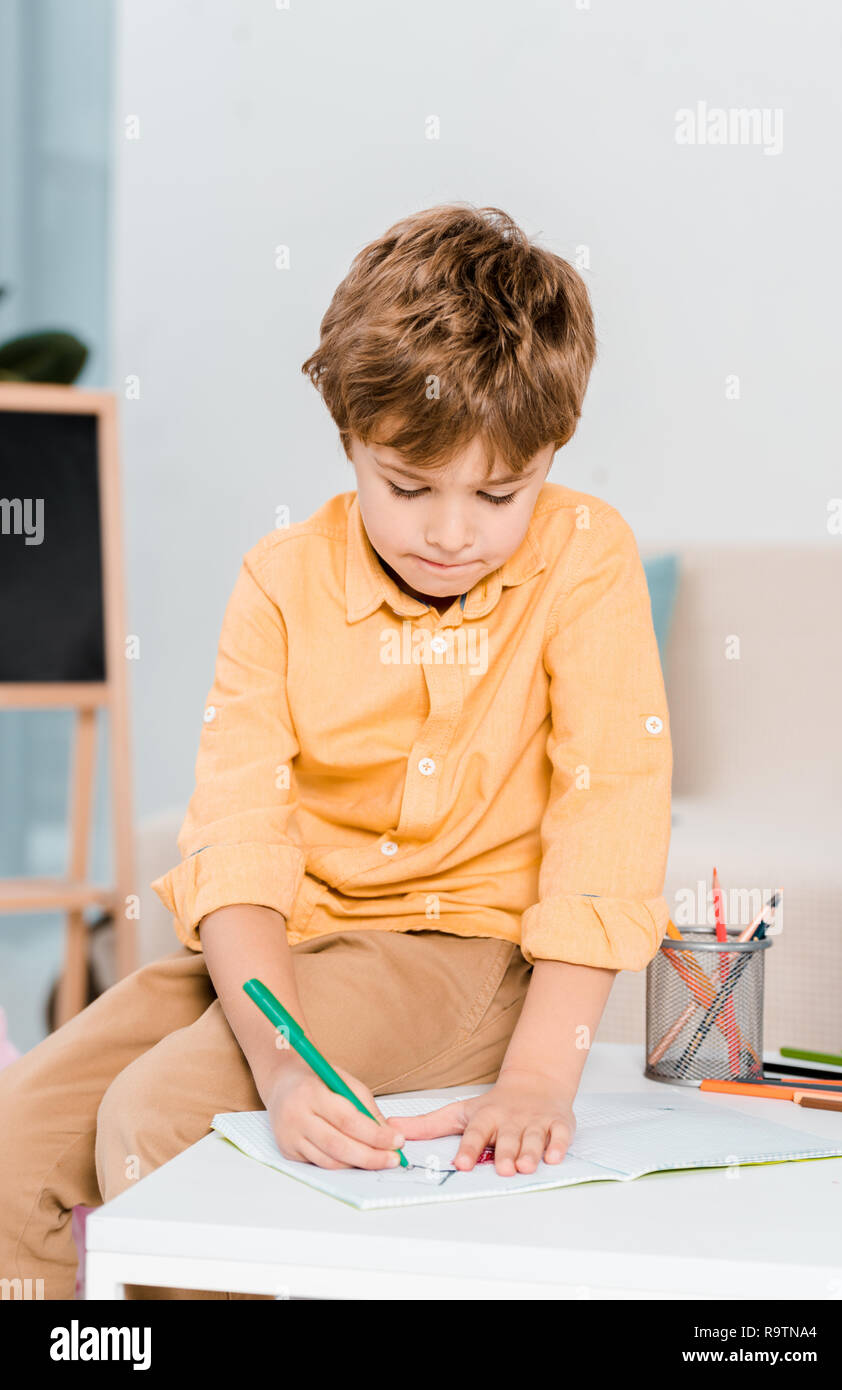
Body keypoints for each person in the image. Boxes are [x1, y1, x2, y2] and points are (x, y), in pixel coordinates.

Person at [0, 203, 672, 1299]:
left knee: (156, 1114)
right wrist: (280, 1058)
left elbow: (611, 820)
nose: (454, 532)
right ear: (350, 440)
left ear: (552, 455)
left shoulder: (586, 558)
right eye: (409, 487)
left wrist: (541, 1079)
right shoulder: (280, 578)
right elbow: (241, 838)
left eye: (501, 494)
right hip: (297, 948)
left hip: (467, 956)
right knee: (19, 1133)